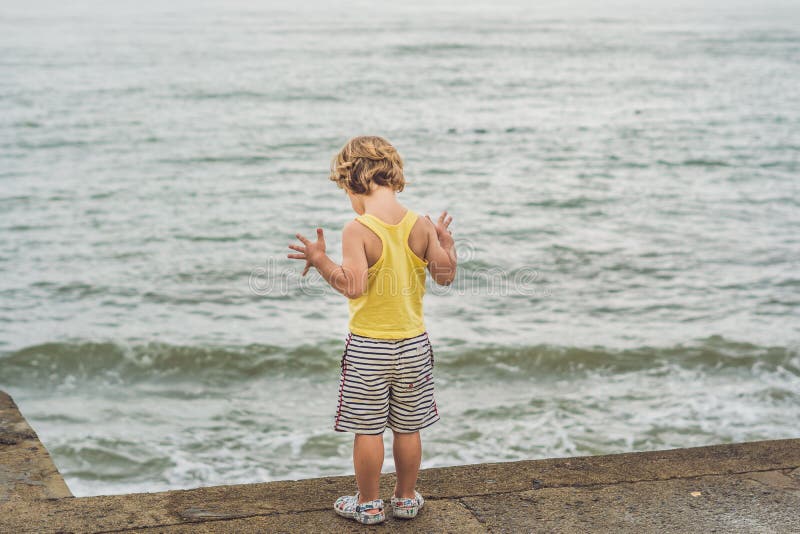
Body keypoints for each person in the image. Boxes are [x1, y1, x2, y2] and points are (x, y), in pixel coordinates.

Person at [287, 135, 457, 525]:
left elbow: (353, 285)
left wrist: (319, 258)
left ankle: (368, 504)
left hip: (369, 347)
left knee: (367, 429)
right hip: (414, 344)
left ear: (353, 183)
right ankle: (406, 498)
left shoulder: (357, 228)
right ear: (393, 177)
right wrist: (448, 245)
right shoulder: (421, 224)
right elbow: (445, 276)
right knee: (408, 425)